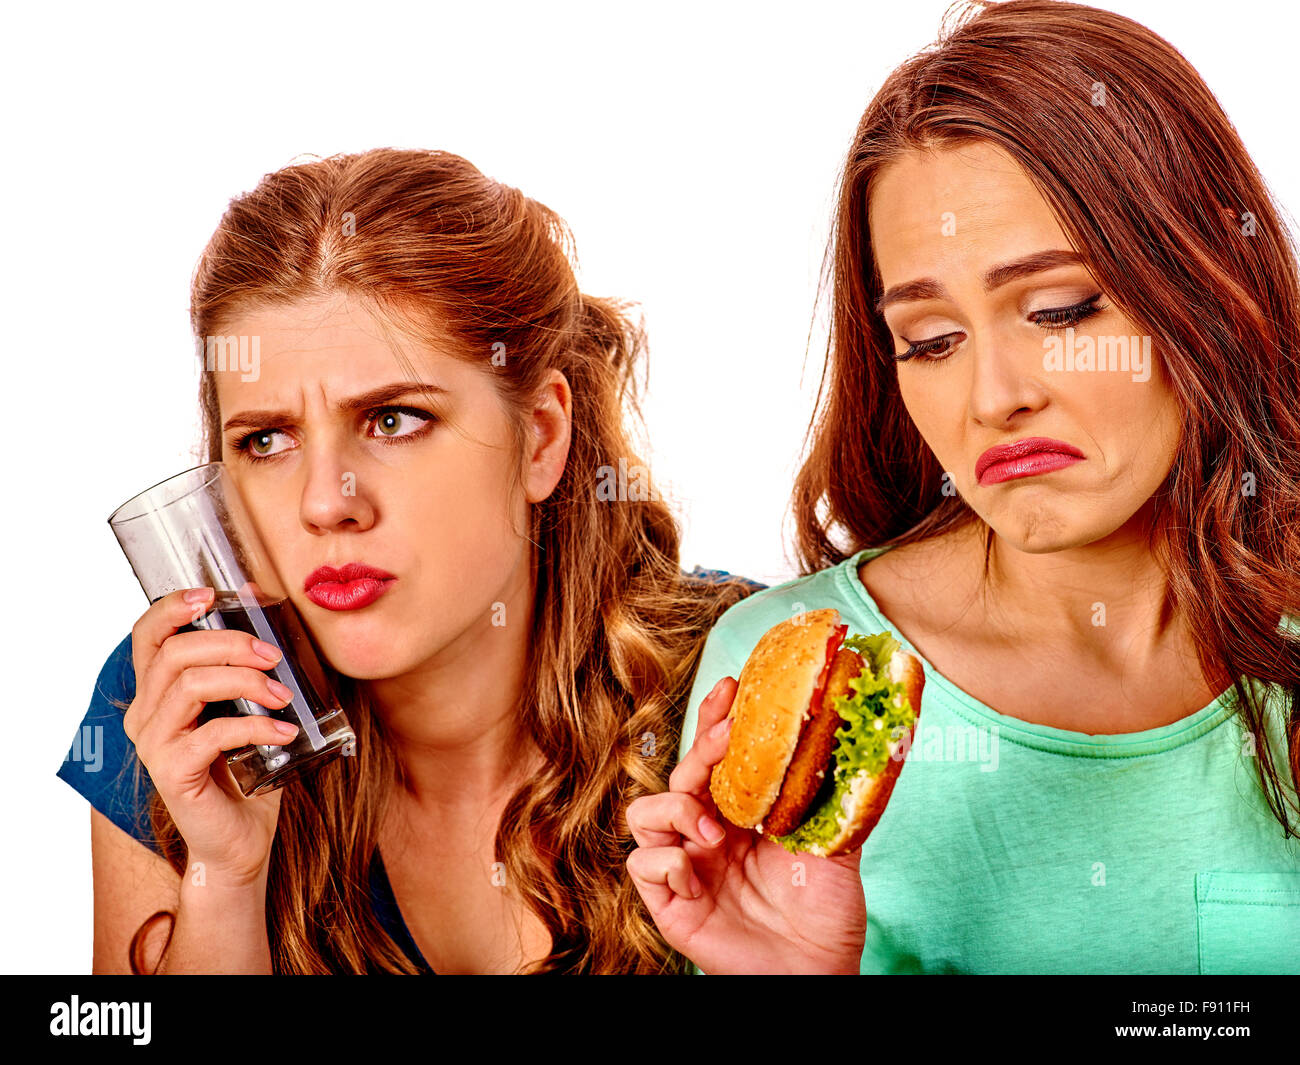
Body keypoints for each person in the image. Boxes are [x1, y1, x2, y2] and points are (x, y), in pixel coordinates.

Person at [626, 0, 1300, 975]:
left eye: (1060, 311)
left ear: (1206, 288)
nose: (993, 399)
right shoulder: (789, 674)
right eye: (930, 342)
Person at [57, 147, 757, 974]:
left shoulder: (743, 673)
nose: (326, 501)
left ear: (540, 435)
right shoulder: (177, 709)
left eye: (392, 419)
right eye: (267, 440)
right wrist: (223, 879)